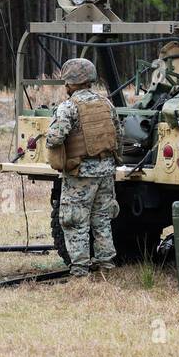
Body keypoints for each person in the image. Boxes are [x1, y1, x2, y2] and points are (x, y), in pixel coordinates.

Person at [44, 57, 122, 279]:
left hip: (81, 174)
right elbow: (118, 135)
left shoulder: (69, 107)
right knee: (102, 219)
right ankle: (106, 266)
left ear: (70, 83)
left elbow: (55, 138)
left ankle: (80, 271)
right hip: (106, 171)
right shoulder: (106, 104)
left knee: (75, 221)